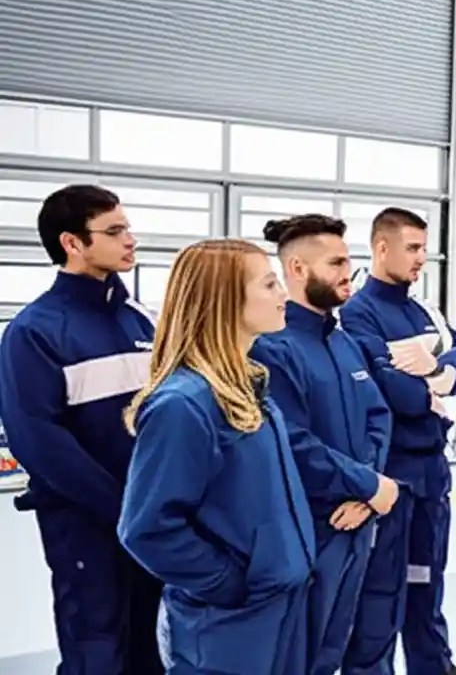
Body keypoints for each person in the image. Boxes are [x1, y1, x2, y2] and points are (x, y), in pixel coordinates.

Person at [115, 238, 316, 674]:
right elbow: (146, 529)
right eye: (269, 285)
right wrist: (229, 584)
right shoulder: (182, 405)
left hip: (277, 607)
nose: (283, 295)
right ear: (225, 301)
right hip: (228, 624)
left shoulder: (248, 388)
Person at [0, 184, 165, 675]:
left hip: (151, 519)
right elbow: (41, 444)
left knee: (151, 647)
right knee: (96, 649)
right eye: (114, 231)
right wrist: (123, 510)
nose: (130, 239)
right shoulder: (34, 331)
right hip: (86, 525)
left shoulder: (146, 322)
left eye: (128, 227)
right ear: (72, 243)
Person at [250, 214, 400, 675]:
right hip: (311, 526)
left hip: (355, 519)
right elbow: (291, 442)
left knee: (336, 646)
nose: (347, 272)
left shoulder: (342, 341)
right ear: (297, 269)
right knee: (299, 655)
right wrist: (366, 486)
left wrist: (367, 489)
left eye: (347, 260)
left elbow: (379, 416)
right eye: (336, 262)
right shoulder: (272, 348)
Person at [339, 208, 456, 675]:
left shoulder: (425, 309)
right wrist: (433, 387)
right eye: (413, 248)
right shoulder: (358, 313)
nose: (422, 258)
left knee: (427, 576)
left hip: (432, 471)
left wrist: (440, 373)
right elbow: (394, 393)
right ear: (382, 248)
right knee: (381, 587)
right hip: (391, 473)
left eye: (423, 248)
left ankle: (432, 663)